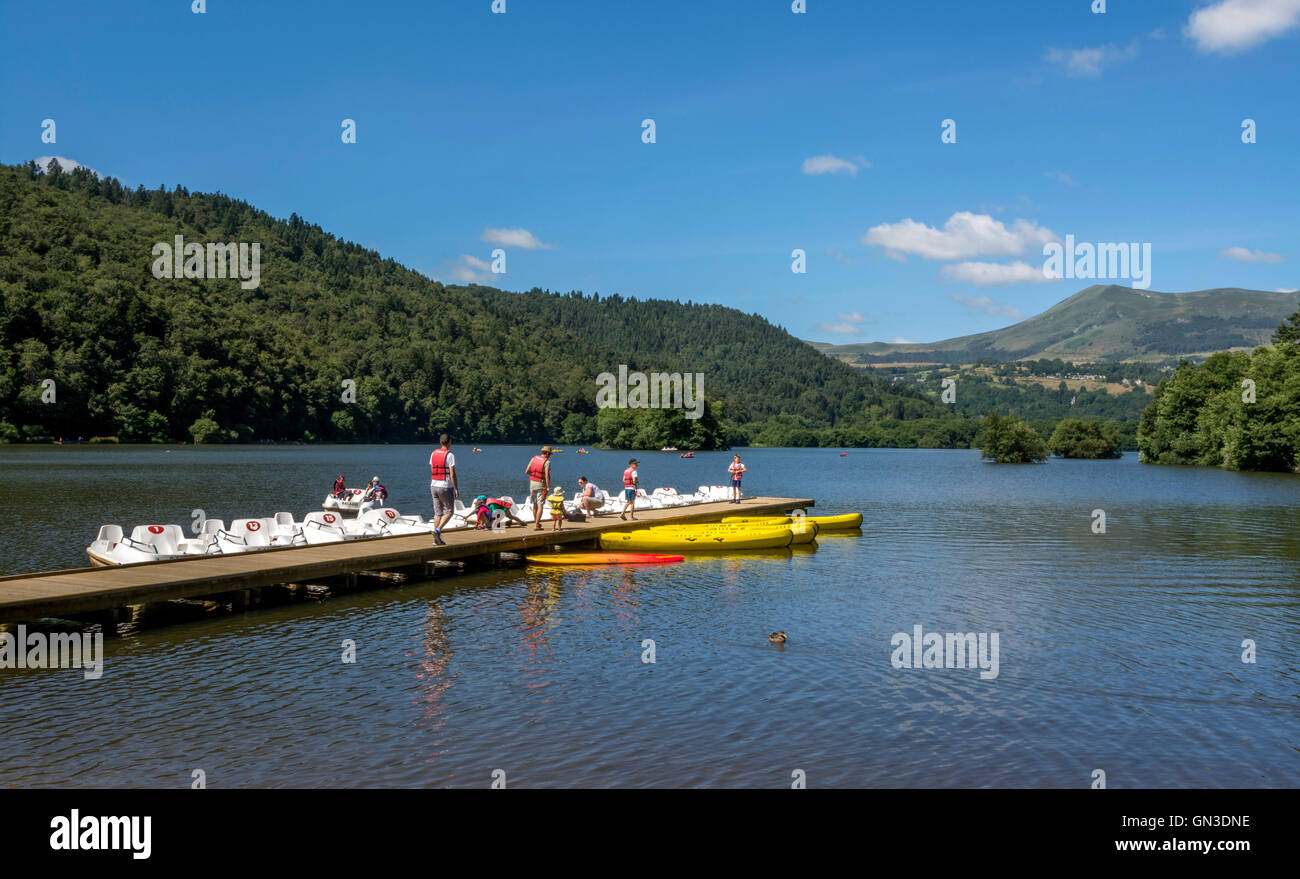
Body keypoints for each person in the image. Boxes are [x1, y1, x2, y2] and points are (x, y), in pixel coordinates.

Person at [428, 434, 458, 546]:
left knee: (438, 512)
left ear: (440, 442)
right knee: (449, 511)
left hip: (433, 485)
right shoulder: (450, 455)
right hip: (445, 486)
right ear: (449, 442)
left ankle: (437, 540)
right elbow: (452, 474)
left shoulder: (433, 453)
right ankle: (438, 530)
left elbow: (432, 468)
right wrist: (455, 488)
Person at [525, 445, 554, 531]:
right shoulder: (547, 462)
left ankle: (536, 523)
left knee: (534, 504)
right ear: (547, 453)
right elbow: (547, 476)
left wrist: (535, 476)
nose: (550, 456)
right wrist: (548, 487)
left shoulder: (533, 458)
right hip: (541, 485)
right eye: (550, 454)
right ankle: (537, 525)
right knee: (540, 505)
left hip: (532, 484)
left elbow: (527, 471)